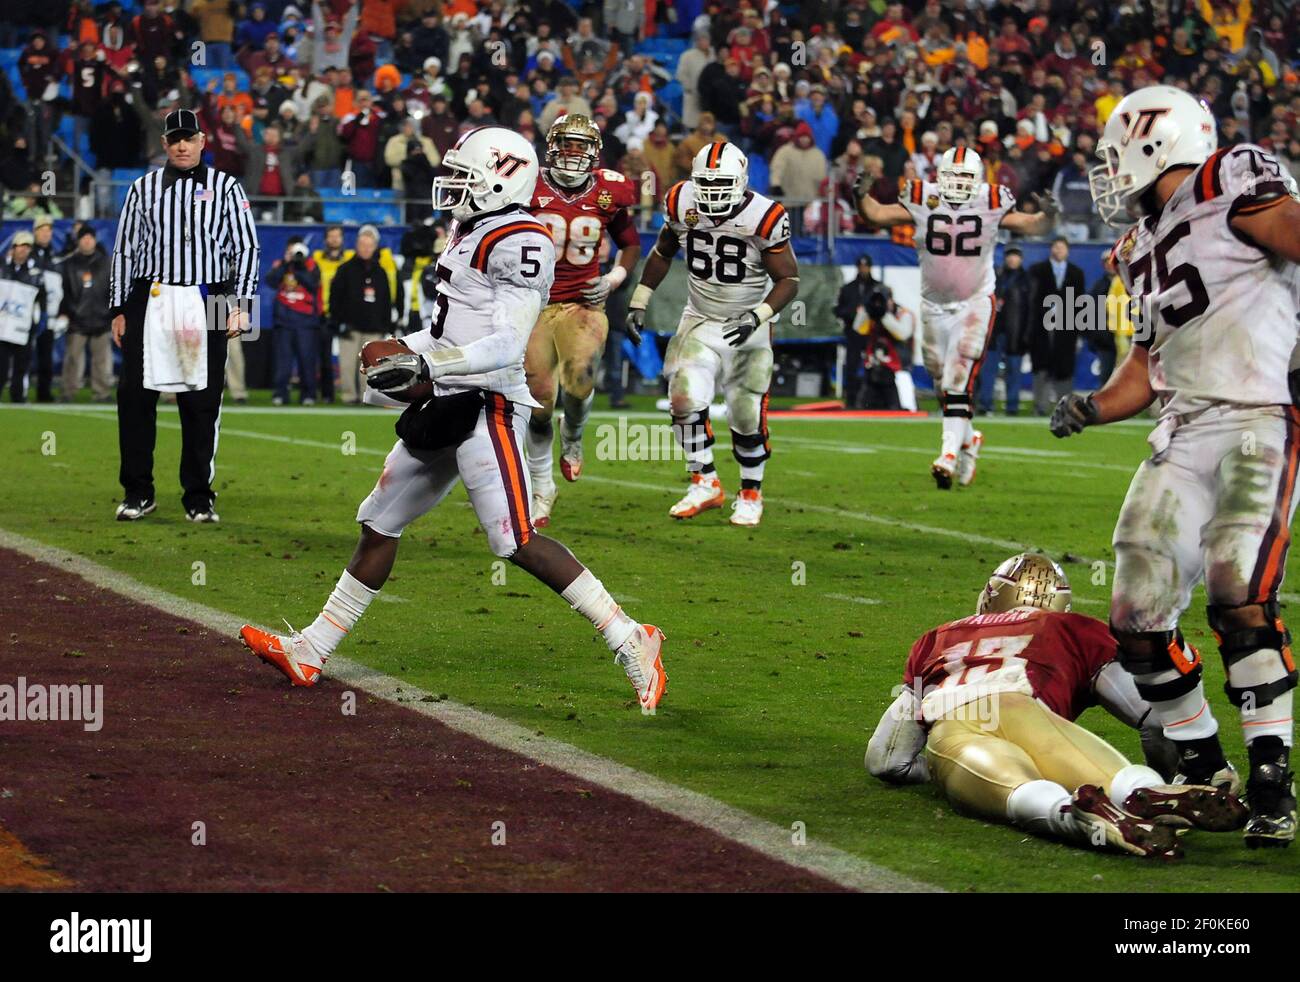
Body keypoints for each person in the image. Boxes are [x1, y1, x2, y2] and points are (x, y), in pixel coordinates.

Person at [239, 125, 668, 713]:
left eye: (466, 177)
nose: (454, 187)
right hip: (447, 394)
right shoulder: (472, 229)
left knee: (514, 538)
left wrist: (425, 362)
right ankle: (312, 648)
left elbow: (507, 345)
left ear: (500, 179)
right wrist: (405, 347)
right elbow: (448, 330)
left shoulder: (521, 238)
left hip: (488, 402)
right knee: (379, 521)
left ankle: (631, 636)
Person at [1052, 85, 1300, 848]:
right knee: (1135, 614)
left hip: (1257, 418)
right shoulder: (1136, 247)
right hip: (1181, 431)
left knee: (1237, 592)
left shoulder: (1230, 176)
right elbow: (1142, 369)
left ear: (1152, 139)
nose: (1105, 168)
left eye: (1113, 147)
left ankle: (1271, 776)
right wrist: (1094, 406)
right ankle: (1204, 770)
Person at [867, 554, 1247, 858]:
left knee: (1021, 792)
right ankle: (1148, 791)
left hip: (957, 721)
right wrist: (1181, 769)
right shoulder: (1071, 629)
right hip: (1027, 711)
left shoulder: (937, 639)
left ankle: (1073, 817)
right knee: (1117, 780)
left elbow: (887, 759)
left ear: (990, 596)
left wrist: (936, 771)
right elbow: (1154, 718)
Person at [857, 146, 1057, 489]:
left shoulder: (990, 201)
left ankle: (947, 454)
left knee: (956, 379)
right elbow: (876, 215)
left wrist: (1049, 215)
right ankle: (967, 441)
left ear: (978, 180)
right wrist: (861, 195)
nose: (959, 183)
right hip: (934, 305)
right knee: (941, 382)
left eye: (966, 176)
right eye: (953, 175)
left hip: (974, 302)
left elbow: (1032, 225)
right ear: (939, 175)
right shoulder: (922, 196)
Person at [627, 142, 800, 528]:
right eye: (706, 183)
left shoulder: (764, 215)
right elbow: (662, 250)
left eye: (722, 183)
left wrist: (757, 316)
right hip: (701, 318)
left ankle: (751, 492)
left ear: (740, 181)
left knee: (745, 414)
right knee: (683, 397)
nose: (713, 192)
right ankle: (704, 481)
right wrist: (640, 299)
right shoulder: (679, 201)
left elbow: (788, 278)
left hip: (748, 326)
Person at [108, 107, 261, 523]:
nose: (181, 145)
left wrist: (243, 306)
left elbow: (246, 247)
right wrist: (119, 307)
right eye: (174, 138)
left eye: (188, 138)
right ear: (164, 143)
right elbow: (125, 249)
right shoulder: (142, 189)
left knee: (203, 402)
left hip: (208, 295)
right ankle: (138, 491)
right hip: (150, 293)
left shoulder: (228, 188)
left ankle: (198, 495)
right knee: (135, 399)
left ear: (201, 141)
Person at [522, 114, 641, 527]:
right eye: (566, 144)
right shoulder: (526, 183)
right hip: (532, 305)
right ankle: (541, 486)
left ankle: (572, 436)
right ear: (551, 146)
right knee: (537, 400)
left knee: (581, 375)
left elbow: (629, 243)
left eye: (581, 145)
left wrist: (612, 279)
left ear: (594, 151)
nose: (573, 153)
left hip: (582, 303)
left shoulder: (610, 190)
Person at [331, 224, 402, 404]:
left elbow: (386, 299)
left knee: (370, 366)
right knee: (347, 364)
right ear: (356, 245)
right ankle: (348, 396)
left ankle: (366, 396)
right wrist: (337, 321)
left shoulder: (381, 271)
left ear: (375, 246)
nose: (366, 249)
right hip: (350, 326)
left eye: (369, 245)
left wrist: (387, 324)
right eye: (363, 245)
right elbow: (335, 297)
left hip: (374, 327)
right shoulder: (345, 269)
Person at [1028, 237, 1085, 416]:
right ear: (1051, 249)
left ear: (1067, 251)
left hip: (1066, 328)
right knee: (1041, 368)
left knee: (1064, 369)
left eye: (1062, 247)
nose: (1059, 250)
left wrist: (1079, 330)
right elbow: (1031, 301)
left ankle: (1065, 407)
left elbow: (1080, 304)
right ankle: (1040, 406)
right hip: (1041, 327)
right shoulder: (1037, 270)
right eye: (1056, 246)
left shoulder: (1076, 273)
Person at [265, 236, 323, 406]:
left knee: (307, 360)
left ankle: (308, 394)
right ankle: (280, 393)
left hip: (305, 321)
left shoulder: (311, 265)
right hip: (284, 321)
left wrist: (299, 267)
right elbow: (271, 281)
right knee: (283, 361)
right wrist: (285, 264)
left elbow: (312, 284)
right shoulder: (280, 265)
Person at [59, 225, 113, 403]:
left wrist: (111, 313)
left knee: (101, 361)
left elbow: (113, 290)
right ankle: (68, 392)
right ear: (78, 241)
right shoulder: (69, 264)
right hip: (77, 319)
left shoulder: (107, 262)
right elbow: (64, 291)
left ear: (95, 240)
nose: (87, 240)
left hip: (102, 317)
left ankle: (102, 393)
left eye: (90, 237)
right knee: (72, 359)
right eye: (84, 237)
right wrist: (66, 312)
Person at [978, 246, 1031, 416]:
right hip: (994, 331)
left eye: (1015, 256)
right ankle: (985, 404)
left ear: (1020, 259)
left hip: (1016, 333)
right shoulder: (996, 277)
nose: (1012, 259)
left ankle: (1012, 406)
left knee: (1014, 371)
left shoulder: (1026, 280)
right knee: (988, 370)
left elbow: (1030, 310)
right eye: (1009, 256)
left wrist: (1026, 333)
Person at [834, 255, 892, 409]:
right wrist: (854, 313)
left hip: (874, 334)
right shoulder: (848, 288)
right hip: (854, 334)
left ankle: (875, 401)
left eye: (866, 266)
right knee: (852, 366)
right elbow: (839, 310)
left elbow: (885, 309)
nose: (863, 269)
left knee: (876, 366)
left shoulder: (878, 288)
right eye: (861, 266)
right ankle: (851, 400)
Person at [0, 232, 46, 404]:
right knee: (1, 367)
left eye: (27, 247)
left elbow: (42, 298)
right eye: (20, 246)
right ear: (13, 248)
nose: (24, 250)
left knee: (21, 366)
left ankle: (18, 398)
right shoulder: (2, 267)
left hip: (22, 327)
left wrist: (41, 318)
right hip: (2, 327)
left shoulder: (35, 272)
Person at [312, 225, 354, 403]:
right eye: (331, 236)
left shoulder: (351, 258)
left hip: (345, 314)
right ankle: (327, 394)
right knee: (324, 357)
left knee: (352, 356)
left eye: (338, 236)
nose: (335, 239)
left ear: (343, 239)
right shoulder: (316, 258)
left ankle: (354, 394)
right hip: (324, 313)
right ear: (326, 239)